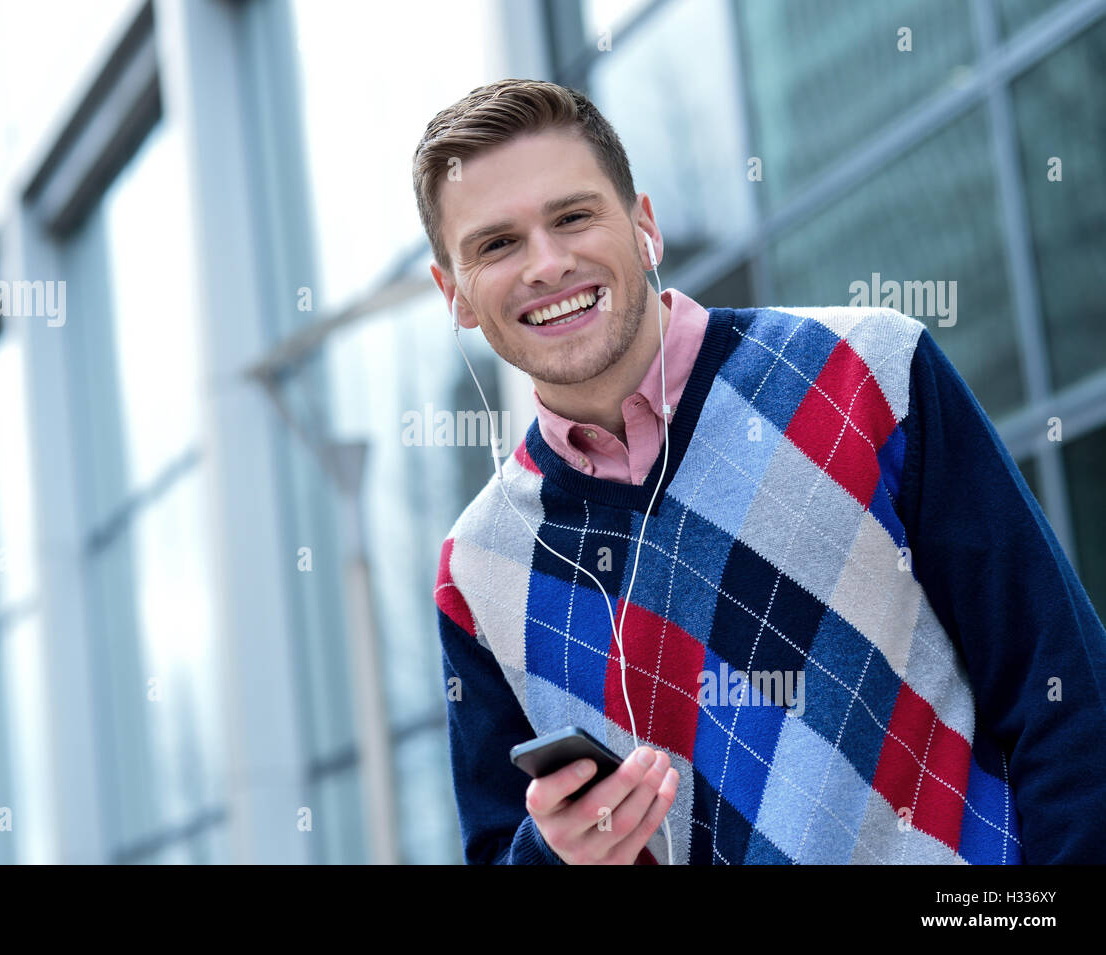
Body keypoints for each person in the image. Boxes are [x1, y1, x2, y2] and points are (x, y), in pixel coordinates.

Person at [415, 78, 1106, 865]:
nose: (547, 264)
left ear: (644, 227)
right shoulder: (476, 568)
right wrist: (552, 854)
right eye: (496, 245)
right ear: (456, 295)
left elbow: (1063, 692)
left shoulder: (867, 373)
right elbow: (497, 847)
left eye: (572, 216)